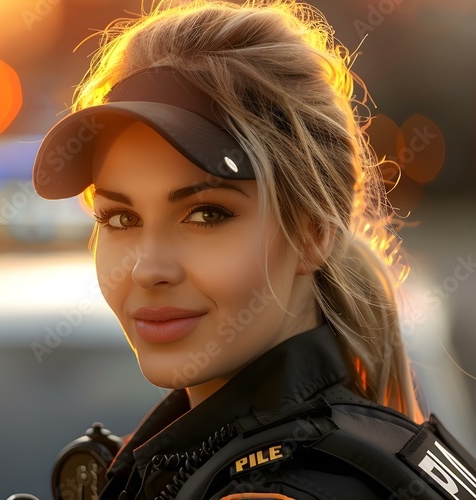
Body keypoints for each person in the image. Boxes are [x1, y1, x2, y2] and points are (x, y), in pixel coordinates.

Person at [30, 1, 476, 499]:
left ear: (313, 232)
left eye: (206, 215)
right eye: (121, 218)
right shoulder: (361, 445)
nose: (147, 268)